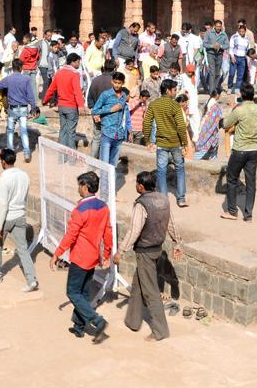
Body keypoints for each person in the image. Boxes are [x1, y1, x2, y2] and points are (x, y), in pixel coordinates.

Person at [114, 170, 182, 341]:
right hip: (157, 249)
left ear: (141, 186)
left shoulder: (141, 204)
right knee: (138, 284)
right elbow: (171, 223)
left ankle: (160, 331)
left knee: (151, 292)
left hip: (145, 252)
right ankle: (133, 321)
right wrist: (177, 243)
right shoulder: (164, 200)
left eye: (137, 183)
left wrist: (120, 251)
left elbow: (134, 230)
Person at [50, 171, 112, 342]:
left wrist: (57, 253)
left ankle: (96, 320)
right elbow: (108, 232)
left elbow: (71, 235)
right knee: (83, 292)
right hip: (93, 257)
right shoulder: (103, 207)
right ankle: (78, 327)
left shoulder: (80, 210)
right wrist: (106, 254)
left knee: (73, 292)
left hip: (80, 257)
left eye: (79, 185)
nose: (78, 188)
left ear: (85, 186)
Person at [0, 148, 38, 291]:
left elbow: (3, 205)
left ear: (3, 162)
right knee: (23, 249)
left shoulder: (3, 179)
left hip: (6, 218)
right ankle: (31, 280)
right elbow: (25, 197)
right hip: (20, 215)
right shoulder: (24, 175)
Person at [220, 83, 257, 222]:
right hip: (253, 150)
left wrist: (232, 109)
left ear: (242, 95)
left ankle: (232, 212)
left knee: (232, 179)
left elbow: (226, 124)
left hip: (240, 149)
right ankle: (248, 214)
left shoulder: (239, 110)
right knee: (251, 182)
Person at [143, 79, 188, 207]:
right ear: (168, 91)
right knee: (180, 168)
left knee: (161, 171)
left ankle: (163, 198)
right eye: (174, 90)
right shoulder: (175, 106)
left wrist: (147, 140)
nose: (175, 92)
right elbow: (180, 126)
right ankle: (181, 198)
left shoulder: (153, 104)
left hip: (162, 144)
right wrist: (184, 142)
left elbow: (147, 123)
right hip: (176, 144)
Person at [0, 58, 37, 162]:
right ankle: (27, 154)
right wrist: (33, 107)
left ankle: (10, 152)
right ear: (20, 68)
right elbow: (31, 95)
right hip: (23, 108)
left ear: (13, 68)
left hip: (12, 109)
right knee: (23, 131)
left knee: (10, 131)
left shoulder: (8, 79)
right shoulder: (26, 79)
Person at [43, 52, 85, 149]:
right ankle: (71, 159)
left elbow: (51, 89)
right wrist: (81, 106)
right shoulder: (75, 74)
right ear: (73, 62)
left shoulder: (59, 73)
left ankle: (61, 158)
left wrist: (45, 100)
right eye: (78, 62)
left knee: (63, 131)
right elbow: (77, 91)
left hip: (61, 106)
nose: (79, 64)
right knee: (71, 133)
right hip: (71, 107)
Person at [92, 72, 131, 168]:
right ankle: (103, 183)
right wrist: (110, 110)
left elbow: (125, 113)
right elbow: (95, 110)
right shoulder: (106, 94)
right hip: (107, 132)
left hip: (119, 134)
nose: (117, 85)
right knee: (104, 164)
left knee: (113, 165)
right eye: (115, 82)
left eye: (119, 83)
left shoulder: (124, 96)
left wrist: (129, 129)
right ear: (112, 82)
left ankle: (111, 183)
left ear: (123, 83)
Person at [86, 59, 115, 158]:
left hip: (97, 113)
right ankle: (104, 164)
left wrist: (94, 111)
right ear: (114, 69)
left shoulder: (95, 80)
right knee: (108, 139)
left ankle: (92, 163)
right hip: (110, 115)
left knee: (96, 138)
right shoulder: (114, 83)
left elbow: (89, 99)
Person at [203, 19, 229, 93]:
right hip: (211, 54)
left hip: (220, 54)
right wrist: (212, 46)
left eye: (219, 27)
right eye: (217, 26)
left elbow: (227, 45)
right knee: (212, 72)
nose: (218, 28)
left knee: (217, 73)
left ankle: (216, 88)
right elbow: (204, 44)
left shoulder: (224, 34)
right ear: (214, 26)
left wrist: (220, 46)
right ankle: (212, 91)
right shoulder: (208, 33)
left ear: (221, 27)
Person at [228, 25, 250, 93]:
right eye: (240, 31)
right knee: (231, 73)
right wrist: (232, 56)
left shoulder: (247, 39)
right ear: (238, 31)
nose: (241, 33)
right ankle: (230, 87)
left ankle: (237, 88)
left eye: (243, 31)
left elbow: (248, 50)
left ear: (245, 31)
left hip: (243, 58)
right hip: (235, 57)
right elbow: (231, 47)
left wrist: (248, 61)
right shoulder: (234, 37)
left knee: (240, 75)